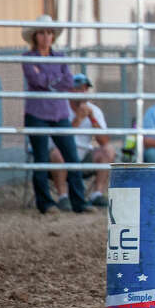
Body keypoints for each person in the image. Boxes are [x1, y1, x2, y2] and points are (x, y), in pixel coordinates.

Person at [22, 15, 91, 215]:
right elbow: (37, 80)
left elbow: (67, 82)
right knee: (41, 158)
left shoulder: (59, 58)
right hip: (37, 113)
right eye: (42, 33)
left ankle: (80, 202)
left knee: (71, 156)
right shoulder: (28, 58)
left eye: (49, 33)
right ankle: (46, 203)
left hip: (59, 113)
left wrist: (47, 79)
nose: (46, 37)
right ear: (35, 36)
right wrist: (55, 79)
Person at [49, 73, 114, 208]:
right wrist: (78, 119)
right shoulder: (60, 108)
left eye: (85, 89)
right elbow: (61, 139)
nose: (82, 92)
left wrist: (92, 119)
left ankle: (97, 194)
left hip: (84, 156)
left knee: (108, 151)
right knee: (57, 153)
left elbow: (105, 141)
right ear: (69, 90)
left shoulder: (94, 110)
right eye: (78, 88)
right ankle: (63, 197)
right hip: (61, 155)